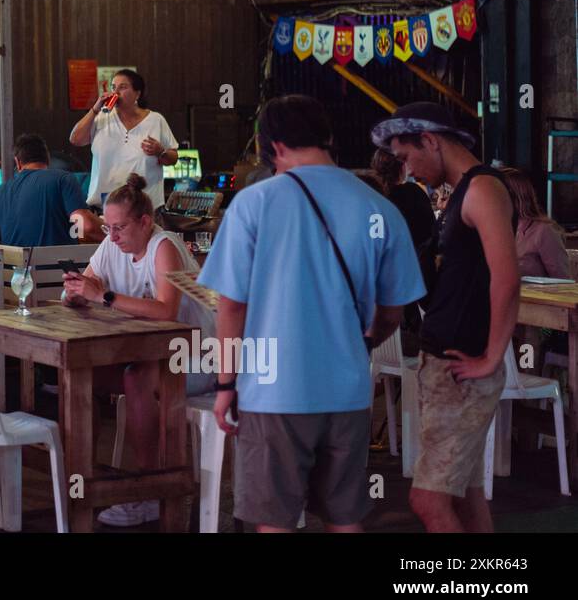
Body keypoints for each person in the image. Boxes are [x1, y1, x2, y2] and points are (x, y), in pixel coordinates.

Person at [199, 95, 424, 533]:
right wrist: (361, 343)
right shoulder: (379, 207)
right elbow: (394, 312)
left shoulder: (253, 203)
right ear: (329, 138)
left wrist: (226, 383)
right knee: (344, 517)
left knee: (275, 520)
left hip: (273, 391)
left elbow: (232, 305)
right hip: (348, 391)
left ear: (273, 145)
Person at [373, 101, 518, 533]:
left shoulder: (483, 190)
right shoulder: (467, 192)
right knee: (466, 499)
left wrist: (492, 358)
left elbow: (507, 278)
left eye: (406, 157)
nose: (409, 170)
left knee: (429, 501)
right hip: (448, 364)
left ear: (430, 140)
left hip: (463, 368)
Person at [62, 174, 215, 526]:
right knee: (84, 375)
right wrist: (76, 295)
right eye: (107, 228)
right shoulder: (112, 245)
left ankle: (151, 493)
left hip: (200, 356)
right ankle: (84, 479)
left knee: (137, 379)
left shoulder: (164, 246)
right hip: (154, 354)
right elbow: (86, 286)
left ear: (145, 222)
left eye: (119, 228)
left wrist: (103, 296)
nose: (112, 236)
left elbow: (166, 310)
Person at [69, 68, 178, 211]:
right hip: (104, 208)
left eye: (123, 87)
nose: (116, 92)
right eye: (113, 87)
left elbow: (173, 158)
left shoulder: (156, 120)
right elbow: (75, 139)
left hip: (143, 209)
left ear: (137, 93)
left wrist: (161, 151)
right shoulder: (101, 117)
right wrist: (95, 109)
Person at [371, 146, 438, 326]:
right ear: (402, 167)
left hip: (387, 289)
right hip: (422, 282)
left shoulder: (375, 199)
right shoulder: (414, 192)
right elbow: (432, 232)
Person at [0, 133, 98, 246]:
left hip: (13, 262)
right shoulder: (62, 179)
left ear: (18, 162)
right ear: (47, 158)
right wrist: (111, 232)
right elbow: (85, 225)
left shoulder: (0, 191)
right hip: (57, 262)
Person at [501, 167, 571, 279]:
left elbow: (563, 281)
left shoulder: (544, 231)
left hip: (537, 296)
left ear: (516, 196)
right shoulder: (498, 230)